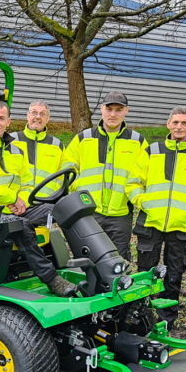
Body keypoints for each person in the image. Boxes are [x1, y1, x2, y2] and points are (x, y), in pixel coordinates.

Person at [0, 100, 77, 297]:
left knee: (64, 209)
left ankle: (97, 263)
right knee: (20, 225)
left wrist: (21, 201)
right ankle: (52, 279)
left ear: (8, 122)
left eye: (1, 118)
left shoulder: (16, 151)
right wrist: (11, 198)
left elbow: (25, 184)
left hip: (15, 210)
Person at [125, 106, 186, 331]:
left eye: (184, 123)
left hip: (182, 224)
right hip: (150, 222)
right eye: (175, 122)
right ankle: (141, 316)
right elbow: (133, 182)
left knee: (174, 275)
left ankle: (167, 320)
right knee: (145, 273)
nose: (179, 127)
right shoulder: (152, 150)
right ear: (168, 124)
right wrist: (144, 202)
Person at [62, 91, 149, 262]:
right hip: (89, 211)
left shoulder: (138, 142)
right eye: (109, 109)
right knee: (87, 258)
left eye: (118, 110)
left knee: (119, 260)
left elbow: (145, 175)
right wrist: (80, 189)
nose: (113, 114)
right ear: (102, 109)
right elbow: (67, 170)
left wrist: (134, 196)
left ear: (126, 111)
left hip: (121, 213)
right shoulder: (83, 138)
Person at [11, 100, 65, 200]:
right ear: (28, 116)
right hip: (16, 202)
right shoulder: (12, 141)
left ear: (48, 119)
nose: (38, 117)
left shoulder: (57, 145)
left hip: (46, 203)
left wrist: (54, 195)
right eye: (34, 113)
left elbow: (62, 176)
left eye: (42, 114)